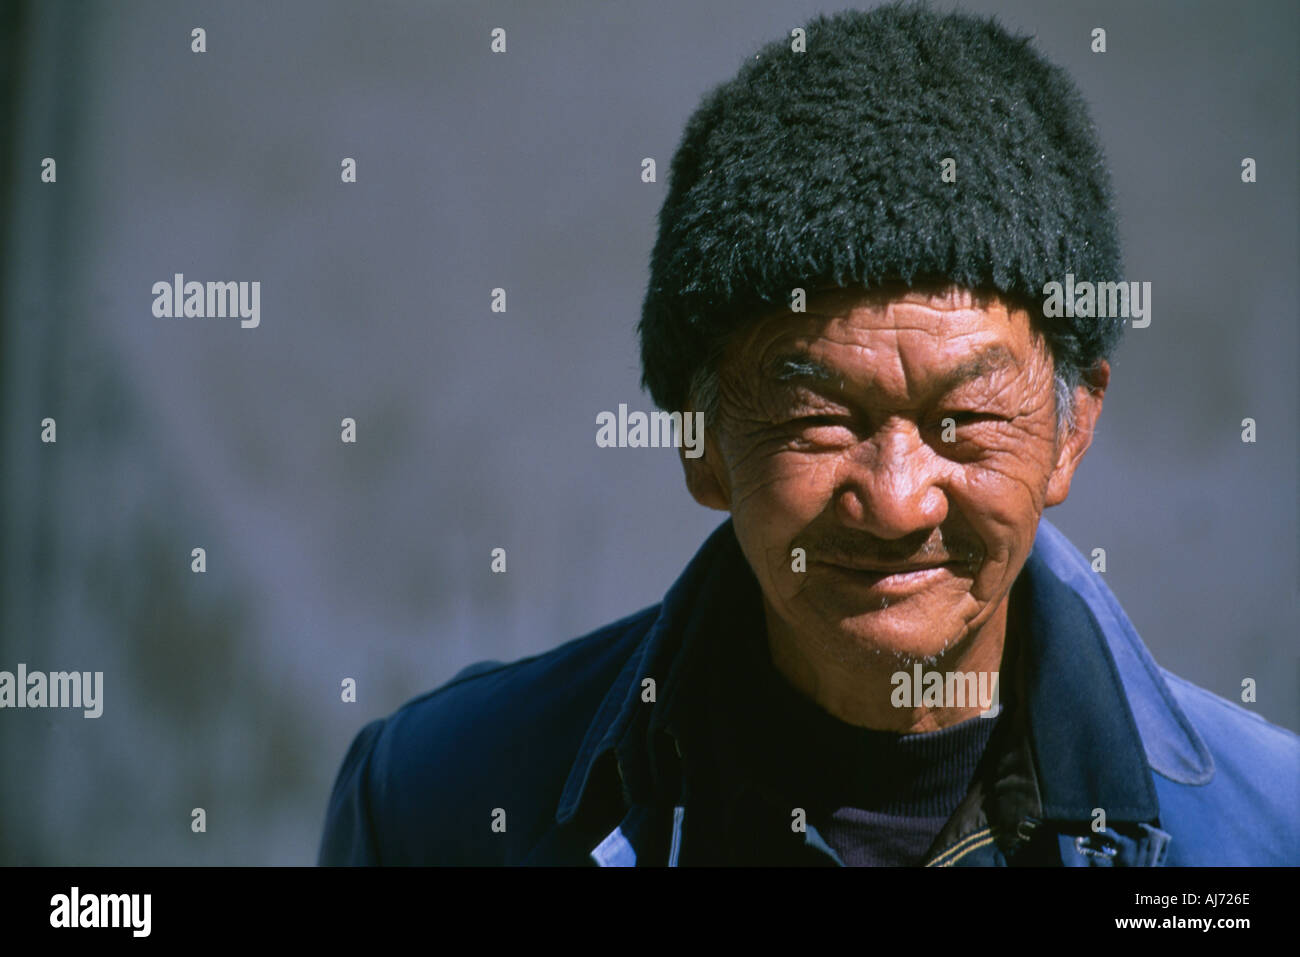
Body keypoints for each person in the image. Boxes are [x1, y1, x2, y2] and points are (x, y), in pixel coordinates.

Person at [318, 2, 1299, 866]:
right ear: (700, 438)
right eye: (823, 421)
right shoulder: (442, 801)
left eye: (962, 422)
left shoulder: (1265, 835)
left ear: (1069, 427)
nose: (897, 496)